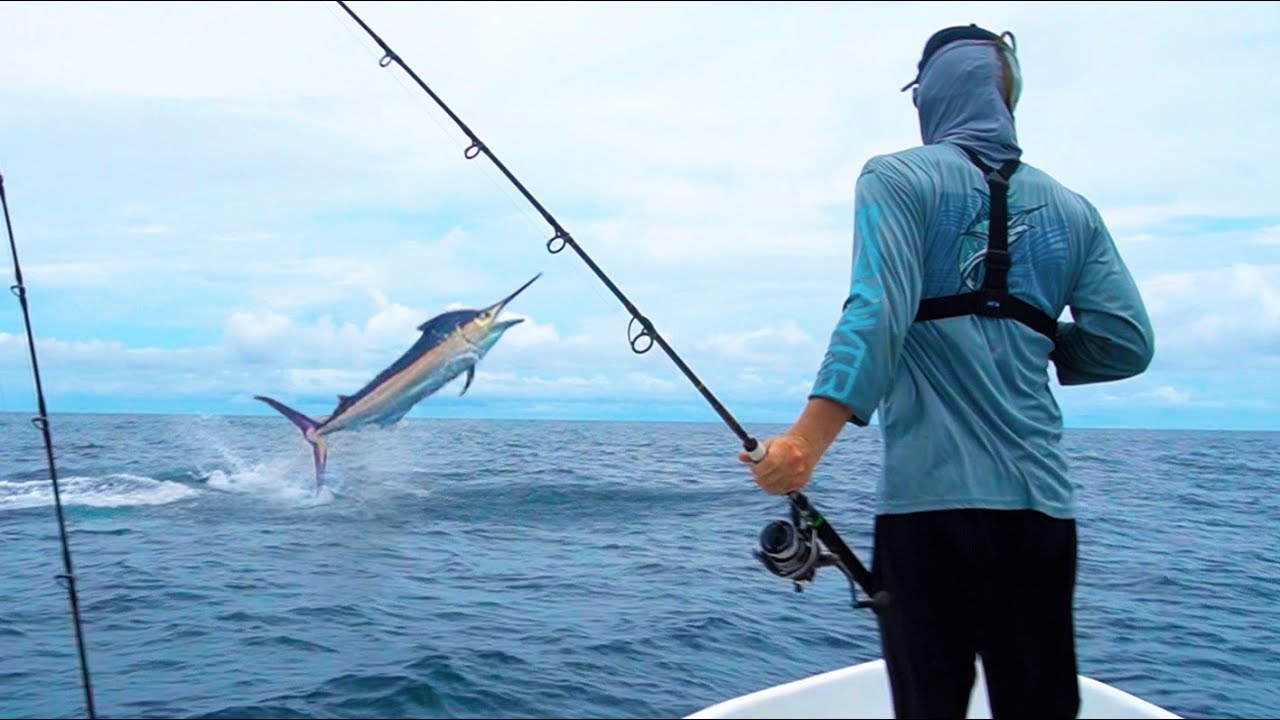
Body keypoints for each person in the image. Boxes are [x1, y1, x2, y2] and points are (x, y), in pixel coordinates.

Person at [739, 23, 1155, 719]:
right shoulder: (1074, 212)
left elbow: (878, 314)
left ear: (930, 95)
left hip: (927, 513)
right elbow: (1126, 342)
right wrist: (1031, 330)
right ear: (1005, 95)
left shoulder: (897, 177)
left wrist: (805, 443)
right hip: (1042, 513)